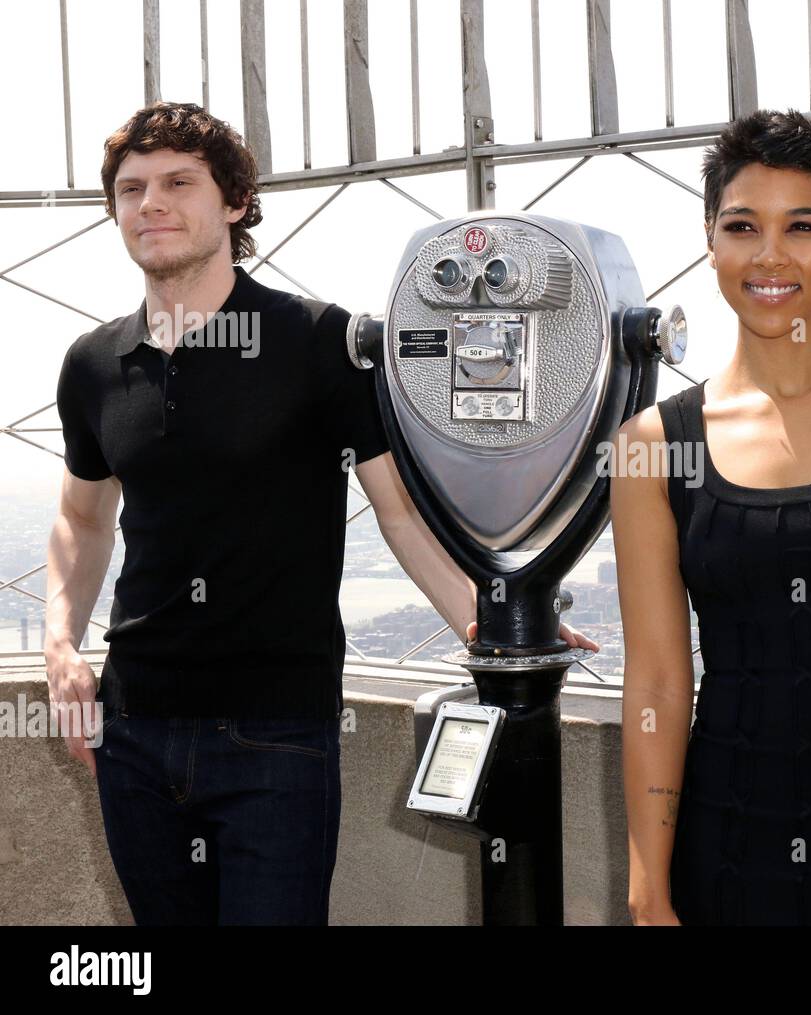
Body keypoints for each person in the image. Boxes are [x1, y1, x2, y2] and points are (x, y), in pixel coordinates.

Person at [45, 101, 594, 926]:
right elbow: (82, 522)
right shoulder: (93, 365)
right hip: (134, 730)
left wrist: (487, 622)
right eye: (130, 189)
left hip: (276, 734)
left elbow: (399, 515)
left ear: (234, 202)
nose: (148, 203)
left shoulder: (316, 341)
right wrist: (60, 643)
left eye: (177, 183)